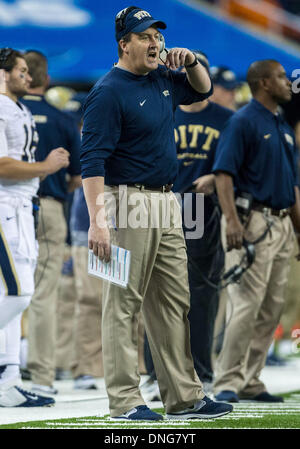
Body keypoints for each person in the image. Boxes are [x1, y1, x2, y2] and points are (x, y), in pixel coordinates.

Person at [80, 6, 233, 421]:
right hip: (124, 202)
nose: (155, 43)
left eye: (158, 37)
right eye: (145, 37)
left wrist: (194, 60)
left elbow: (202, 90)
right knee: (123, 305)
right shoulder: (108, 91)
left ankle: (184, 397)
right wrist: (98, 220)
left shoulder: (162, 78)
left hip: (167, 200)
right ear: (123, 43)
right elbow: (91, 160)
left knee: (172, 302)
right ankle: (125, 401)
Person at [212, 59, 300, 403]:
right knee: (246, 303)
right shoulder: (243, 121)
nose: (287, 83)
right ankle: (227, 380)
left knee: (271, 307)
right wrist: (232, 221)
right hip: (253, 220)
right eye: (280, 77)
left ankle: (250, 377)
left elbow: (292, 186)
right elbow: (223, 174)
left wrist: (297, 228)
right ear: (264, 83)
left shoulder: (282, 126)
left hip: (281, 223)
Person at [0, 47, 69, 407]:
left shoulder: (19, 108)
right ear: (4, 73)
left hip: (23, 209)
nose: (30, 77)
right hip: (4, 208)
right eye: (22, 71)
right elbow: (1, 166)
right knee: (19, 294)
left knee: (14, 296)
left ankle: (8, 381)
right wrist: (45, 167)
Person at [172, 52, 234, 394]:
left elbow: (241, 160)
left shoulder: (226, 118)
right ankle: (158, 372)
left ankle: (201, 368)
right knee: (160, 294)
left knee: (201, 293)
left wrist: (217, 175)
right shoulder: (162, 111)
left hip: (202, 207)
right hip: (163, 204)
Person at [21, 50, 82, 395]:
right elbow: (77, 177)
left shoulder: (8, 112)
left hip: (9, 208)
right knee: (44, 296)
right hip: (50, 208)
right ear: (46, 80)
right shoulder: (62, 120)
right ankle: (42, 377)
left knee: (5, 291)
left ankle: (8, 369)